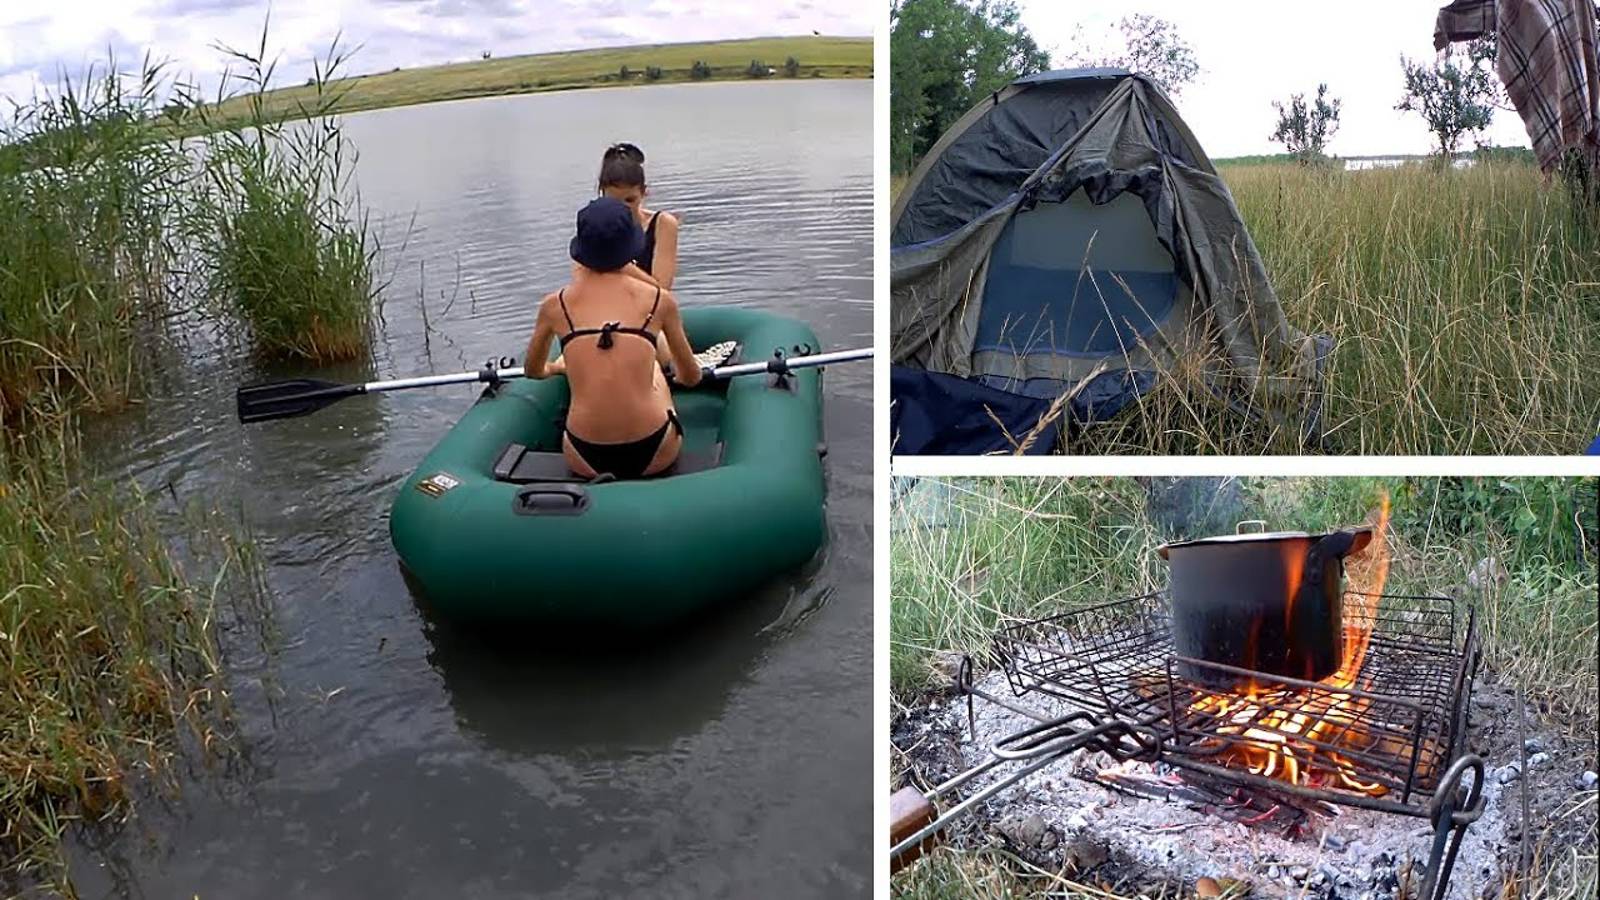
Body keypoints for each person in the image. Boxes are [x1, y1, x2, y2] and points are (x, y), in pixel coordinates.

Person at [525, 197, 702, 479]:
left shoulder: (554, 305)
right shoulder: (659, 300)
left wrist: (558, 367)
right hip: (654, 449)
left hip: (583, 455)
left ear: (580, 252)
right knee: (653, 367)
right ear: (631, 248)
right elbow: (691, 377)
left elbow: (533, 371)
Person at [596, 142, 680, 289]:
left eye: (630, 200)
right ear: (602, 194)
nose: (623, 208)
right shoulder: (593, 226)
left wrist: (615, 263)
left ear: (644, 192)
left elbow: (662, 289)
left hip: (649, 308)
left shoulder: (663, 224)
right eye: (614, 201)